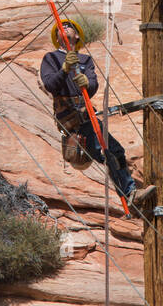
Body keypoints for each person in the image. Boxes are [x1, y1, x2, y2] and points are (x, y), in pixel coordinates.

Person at [40, 18, 146, 206]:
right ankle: (129, 193)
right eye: (60, 28)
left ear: (77, 35)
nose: (64, 28)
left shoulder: (85, 60)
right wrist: (64, 69)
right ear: (57, 37)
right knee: (110, 150)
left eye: (68, 26)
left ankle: (129, 195)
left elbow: (93, 84)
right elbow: (50, 84)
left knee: (115, 151)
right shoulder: (51, 58)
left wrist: (86, 83)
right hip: (70, 116)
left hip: (86, 114)